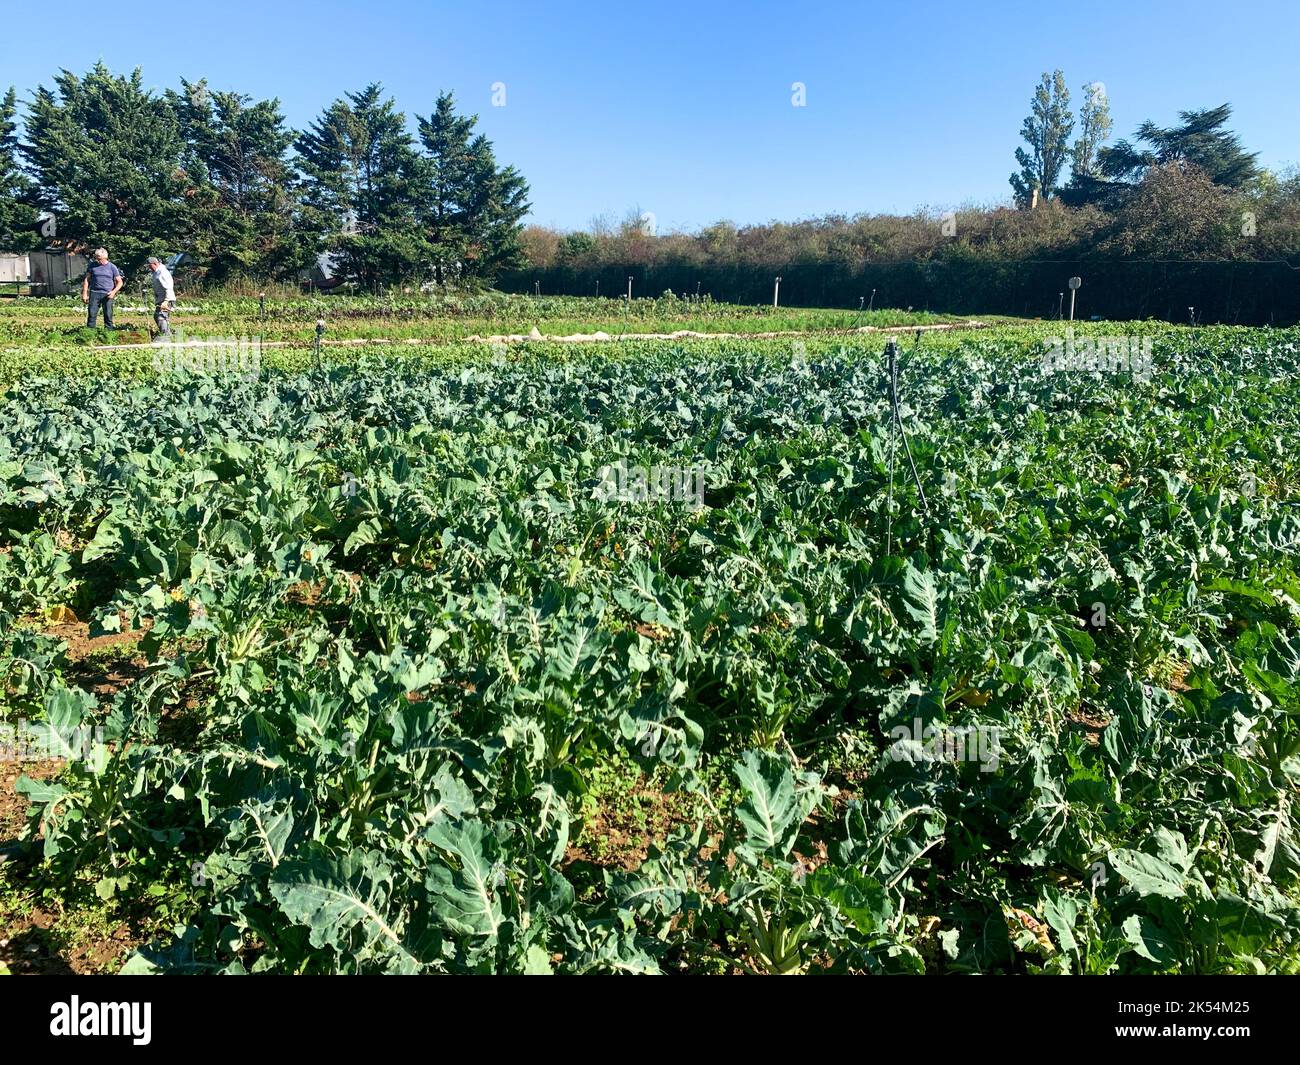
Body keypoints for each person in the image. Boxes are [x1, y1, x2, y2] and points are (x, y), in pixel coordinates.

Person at [82, 247, 123, 328]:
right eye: (97, 258)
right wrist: (84, 293)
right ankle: (90, 333)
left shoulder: (112, 267)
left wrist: (113, 292)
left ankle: (108, 334)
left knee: (108, 315)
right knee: (92, 315)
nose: (98, 260)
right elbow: (87, 280)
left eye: (99, 258)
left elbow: (120, 282)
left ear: (105, 257)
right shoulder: (92, 265)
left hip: (107, 294)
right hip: (94, 293)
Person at [147, 256, 176, 337]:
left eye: (150, 266)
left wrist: (166, 301)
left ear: (155, 264)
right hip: (161, 299)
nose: (149, 268)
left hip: (166, 299)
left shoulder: (162, 273)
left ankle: (166, 336)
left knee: (161, 317)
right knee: (158, 316)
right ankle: (167, 334)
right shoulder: (157, 272)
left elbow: (168, 288)